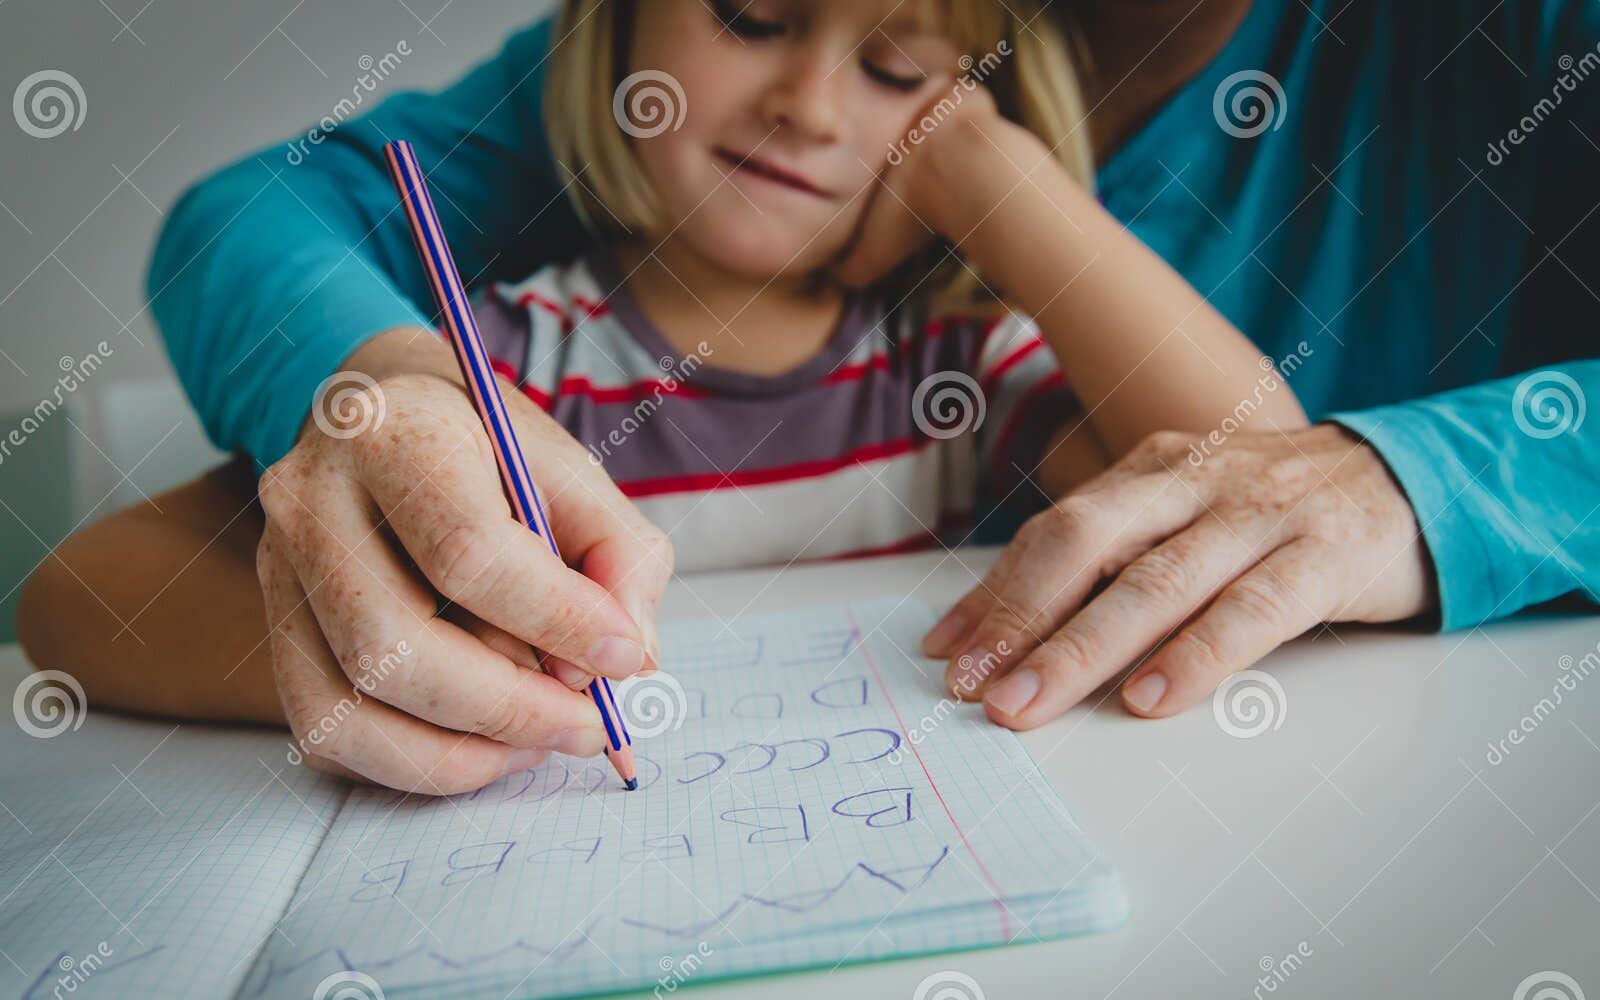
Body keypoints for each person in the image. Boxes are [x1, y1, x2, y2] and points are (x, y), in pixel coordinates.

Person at [22, 0, 1600, 788]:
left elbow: (1236, 462)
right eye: (756, 18)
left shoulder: (951, 370)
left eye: (904, 72)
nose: (804, 104)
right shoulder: (530, 354)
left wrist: (984, 170)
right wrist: (423, 601)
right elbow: (94, 575)